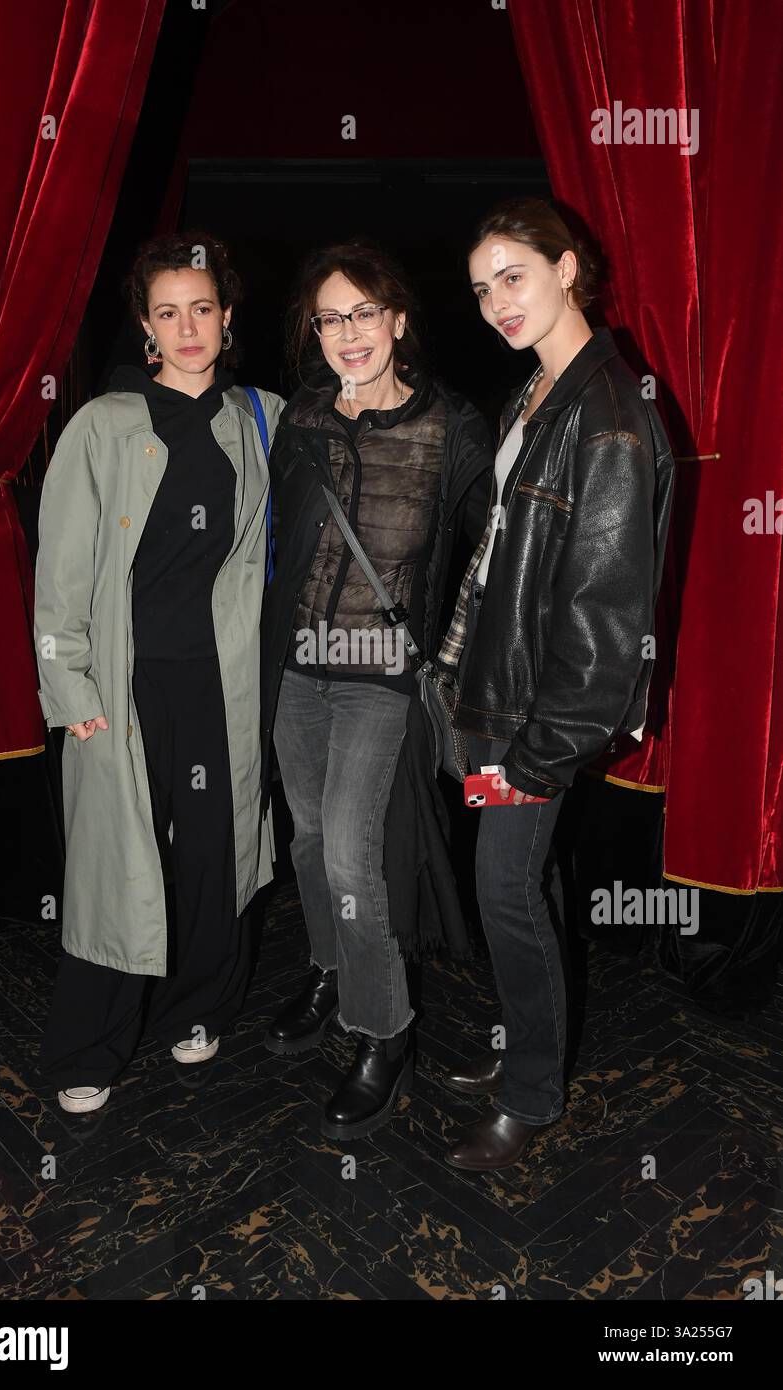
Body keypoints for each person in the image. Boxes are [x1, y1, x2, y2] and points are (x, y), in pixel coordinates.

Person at [436, 198, 674, 1170]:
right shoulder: (535, 395)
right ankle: (519, 1055)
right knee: (513, 890)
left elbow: (603, 618)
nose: (497, 301)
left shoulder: (609, 418)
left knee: (505, 891)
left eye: (513, 276)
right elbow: (502, 560)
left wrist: (537, 756)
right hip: (500, 695)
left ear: (566, 266)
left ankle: (530, 1092)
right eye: (481, 288)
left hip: (538, 715)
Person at [35, 231, 283, 1114]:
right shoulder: (102, 426)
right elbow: (59, 576)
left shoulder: (260, 419)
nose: (187, 328)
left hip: (223, 684)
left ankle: (199, 1006)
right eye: (168, 312)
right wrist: (71, 693)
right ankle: (89, 1047)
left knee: (216, 854)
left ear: (226, 319)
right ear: (145, 326)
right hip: (124, 688)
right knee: (115, 869)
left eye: (203, 309)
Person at [260, 239, 493, 1141]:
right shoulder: (306, 420)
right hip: (298, 669)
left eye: (365, 313)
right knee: (309, 838)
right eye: (330, 317)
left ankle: (384, 1028)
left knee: (356, 858)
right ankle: (328, 966)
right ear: (312, 332)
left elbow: (485, 562)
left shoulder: (454, 429)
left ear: (398, 321)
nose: (348, 333)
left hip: (379, 678)